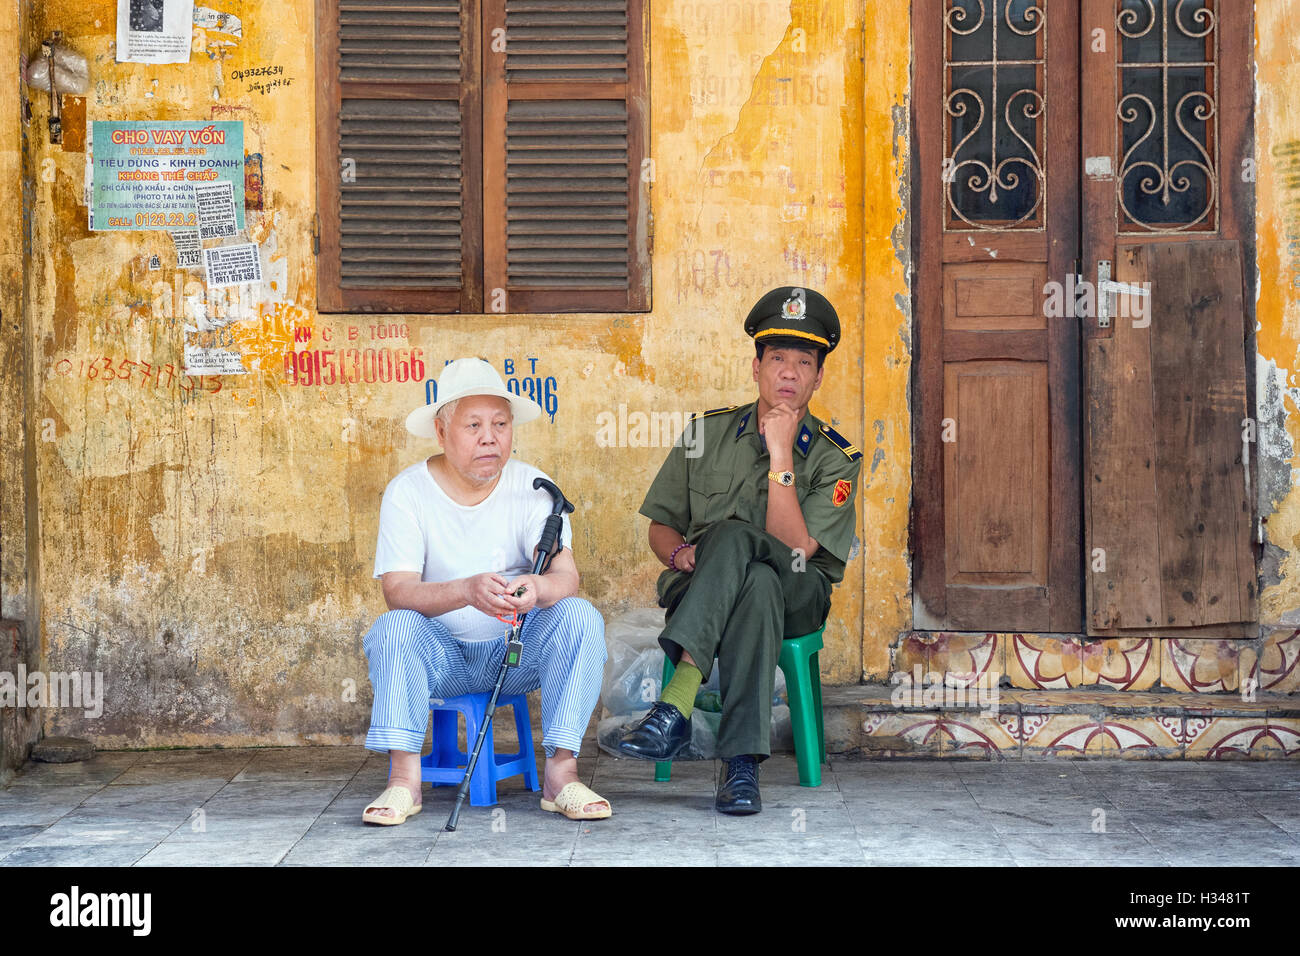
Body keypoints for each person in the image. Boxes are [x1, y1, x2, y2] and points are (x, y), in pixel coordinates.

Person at [617, 287, 862, 815]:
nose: (789, 373)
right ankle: (742, 769)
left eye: (804, 362)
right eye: (778, 359)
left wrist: (780, 452)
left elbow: (795, 548)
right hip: (705, 588)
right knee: (755, 584)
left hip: (799, 593)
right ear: (756, 367)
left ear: (819, 377)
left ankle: (674, 706)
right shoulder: (706, 433)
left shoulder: (835, 458)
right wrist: (680, 554)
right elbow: (661, 526)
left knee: (741, 545)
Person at [361, 358, 611, 824]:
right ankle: (403, 782)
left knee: (579, 616)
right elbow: (397, 591)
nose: (489, 437)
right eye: (473, 425)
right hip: (443, 657)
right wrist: (465, 591)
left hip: (516, 655)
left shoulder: (535, 488)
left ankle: (562, 774)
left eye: (500, 423)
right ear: (441, 431)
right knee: (393, 627)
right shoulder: (408, 493)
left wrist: (537, 587)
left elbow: (566, 577)